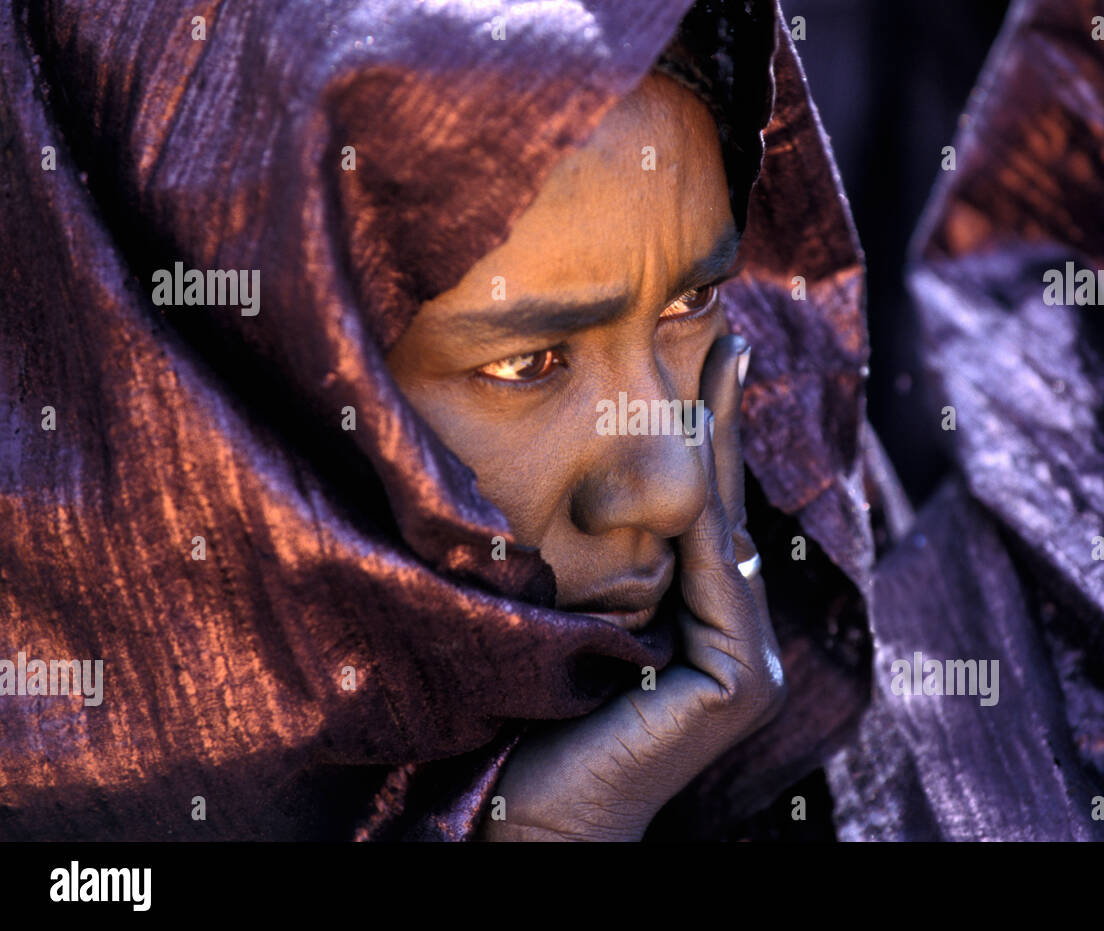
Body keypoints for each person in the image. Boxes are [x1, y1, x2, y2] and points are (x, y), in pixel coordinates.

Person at [0, 0, 873, 840]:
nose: (679, 487)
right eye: (525, 363)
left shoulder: (861, 714)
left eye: (689, 302)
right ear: (247, 390)